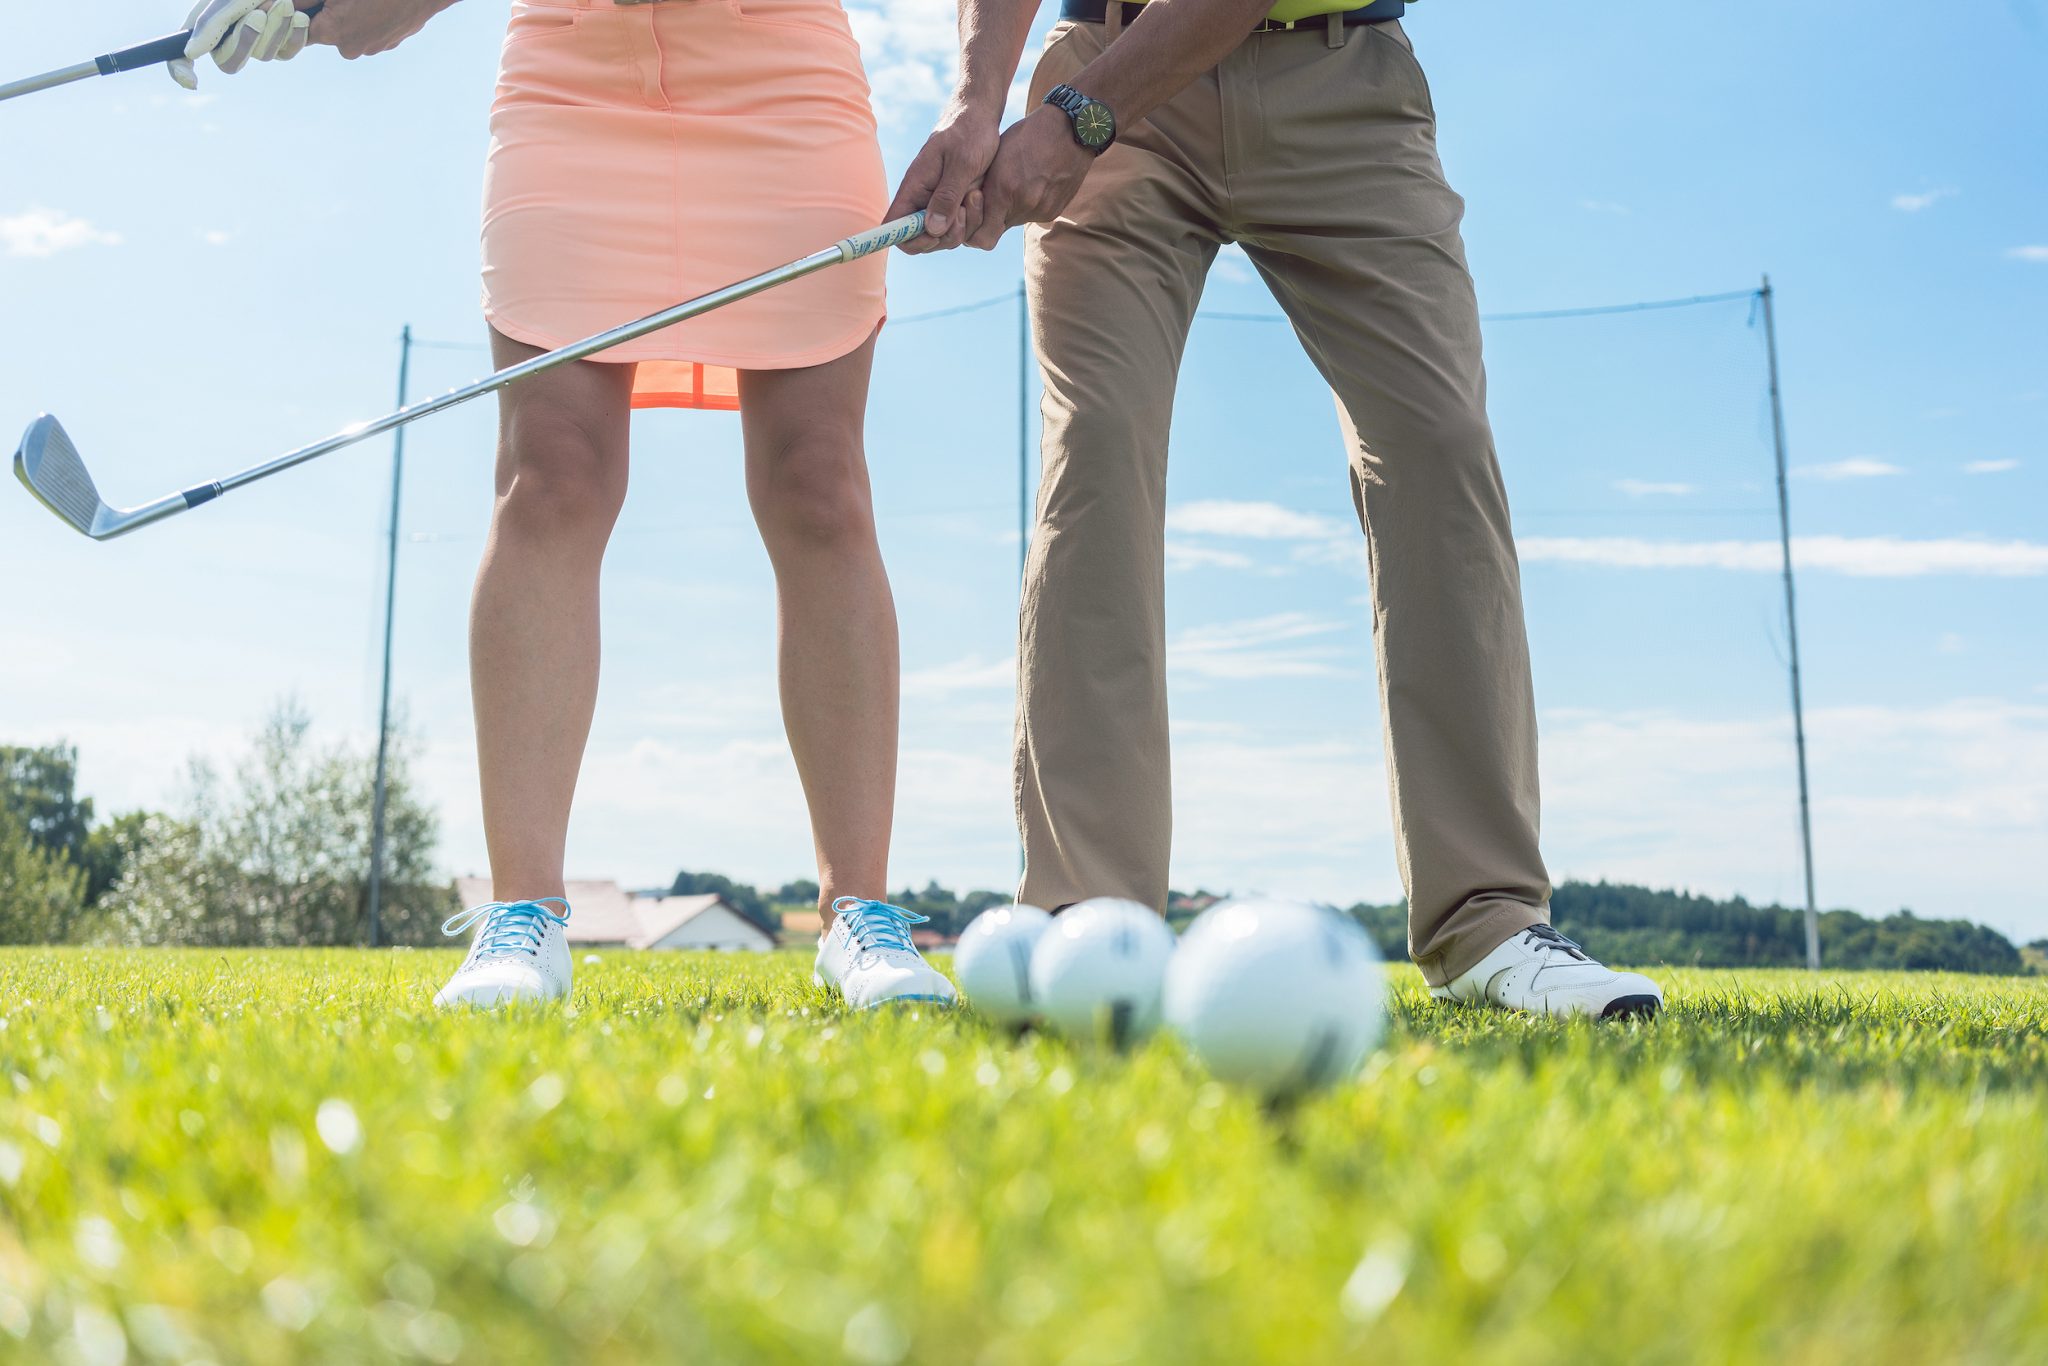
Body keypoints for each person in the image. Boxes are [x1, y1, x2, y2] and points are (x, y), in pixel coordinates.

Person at [176, 0, 956, 1011]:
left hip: (785, 78)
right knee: (550, 469)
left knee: (820, 480)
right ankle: (523, 916)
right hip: (571, 78)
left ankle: (858, 912)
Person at [891, 0, 1664, 1017]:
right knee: (1096, 448)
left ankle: (1488, 925)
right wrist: (975, 103)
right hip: (1103, 60)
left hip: (1337, 88)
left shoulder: (1099, 109)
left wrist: (1078, 119)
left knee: (1436, 448)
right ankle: (1090, 921)